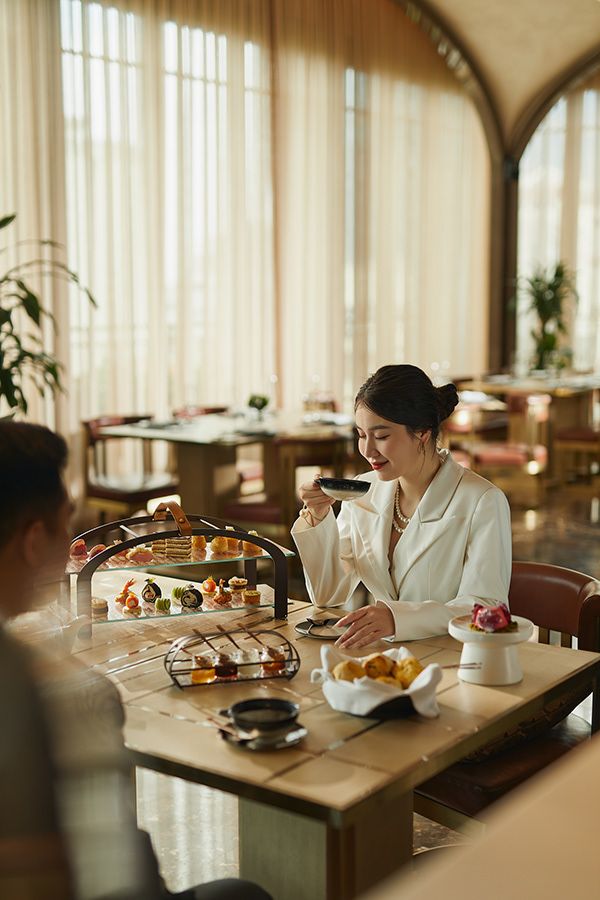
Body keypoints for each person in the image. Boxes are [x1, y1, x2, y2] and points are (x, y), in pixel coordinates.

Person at [0, 421, 271, 900]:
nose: (72, 539)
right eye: (68, 519)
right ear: (34, 538)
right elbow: (119, 880)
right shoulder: (60, 700)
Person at [292, 364, 512, 649]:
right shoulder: (364, 491)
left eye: (382, 436)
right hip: (382, 659)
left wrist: (399, 619)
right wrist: (319, 516)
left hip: (452, 659)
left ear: (421, 432)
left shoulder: (482, 501)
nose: (368, 451)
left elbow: (488, 609)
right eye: (361, 435)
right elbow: (328, 595)